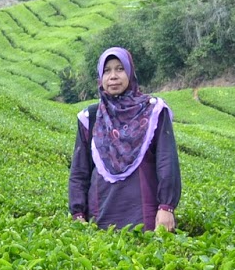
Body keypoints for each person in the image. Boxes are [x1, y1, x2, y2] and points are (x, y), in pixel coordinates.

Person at [69, 47, 180, 232]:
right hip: (100, 217)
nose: (113, 76)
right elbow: (79, 171)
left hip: (146, 217)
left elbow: (167, 162)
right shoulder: (90, 117)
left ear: (130, 72)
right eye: (107, 70)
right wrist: (77, 213)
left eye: (120, 69)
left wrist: (166, 207)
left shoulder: (153, 111)